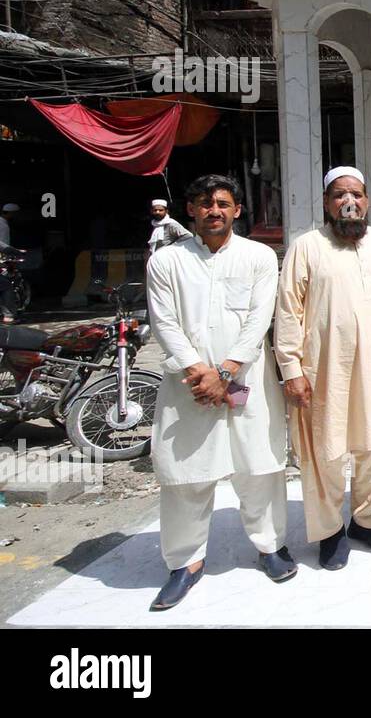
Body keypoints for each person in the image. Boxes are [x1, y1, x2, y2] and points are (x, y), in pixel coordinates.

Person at [144, 174, 294, 611]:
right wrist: (199, 371)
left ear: (237, 210)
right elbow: (164, 322)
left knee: (259, 467)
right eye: (206, 204)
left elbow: (259, 317)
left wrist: (225, 371)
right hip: (189, 384)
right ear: (190, 210)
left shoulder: (259, 256)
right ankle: (185, 563)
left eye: (223, 204)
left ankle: (270, 546)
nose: (215, 211)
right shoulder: (167, 261)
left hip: (244, 377)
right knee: (186, 475)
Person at [274, 166, 371, 569]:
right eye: (339, 195)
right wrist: (291, 369)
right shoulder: (306, 247)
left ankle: (369, 521)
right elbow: (287, 311)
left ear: (368, 201)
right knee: (326, 450)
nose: (349, 202)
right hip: (324, 369)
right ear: (326, 204)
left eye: (356, 194)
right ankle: (330, 530)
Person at [0, 202, 22, 324]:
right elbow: (3, 245)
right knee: (6, 286)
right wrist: (14, 253)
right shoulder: (2, 225)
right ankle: (8, 316)